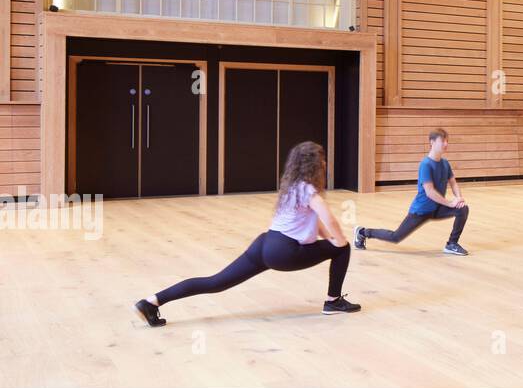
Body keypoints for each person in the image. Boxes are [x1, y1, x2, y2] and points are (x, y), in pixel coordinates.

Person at [134, 141, 358, 326]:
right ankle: (333, 301)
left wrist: (326, 238)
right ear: (313, 165)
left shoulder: (291, 187)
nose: (325, 163)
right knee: (344, 248)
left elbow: (312, 220)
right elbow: (328, 217)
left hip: (264, 244)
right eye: (321, 160)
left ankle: (152, 302)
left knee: (215, 282)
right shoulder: (309, 190)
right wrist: (338, 240)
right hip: (285, 251)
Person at [353, 128, 469, 255]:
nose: (446, 144)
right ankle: (362, 232)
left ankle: (452, 244)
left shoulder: (445, 163)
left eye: (447, 141)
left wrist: (459, 198)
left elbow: (452, 182)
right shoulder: (426, 164)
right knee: (395, 237)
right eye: (442, 141)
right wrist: (450, 203)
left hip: (437, 209)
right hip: (421, 211)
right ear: (432, 142)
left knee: (462, 209)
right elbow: (430, 192)